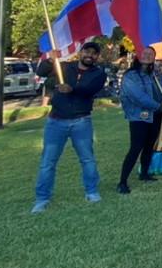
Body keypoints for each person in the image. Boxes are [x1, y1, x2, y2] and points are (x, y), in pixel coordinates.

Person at [31, 42, 106, 213]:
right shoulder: (64, 67)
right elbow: (41, 72)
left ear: (97, 57)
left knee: (87, 159)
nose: (90, 55)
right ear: (81, 53)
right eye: (87, 51)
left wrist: (71, 89)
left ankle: (92, 192)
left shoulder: (98, 74)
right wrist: (51, 60)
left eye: (94, 53)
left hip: (81, 121)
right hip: (56, 121)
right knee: (48, 162)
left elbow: (89, 89)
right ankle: (42, 199)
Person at [118, 47, 162, 194]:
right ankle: (122, 182)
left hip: (156, 116)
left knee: (149, 146)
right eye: (145, 53)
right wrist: (160, 107)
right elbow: (139, 97)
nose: (148, 56)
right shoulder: (131, 76)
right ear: (138, 55)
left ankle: (144, 173)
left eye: (151, 54)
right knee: (136, 148)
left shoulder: (156, 74)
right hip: (139, 117)